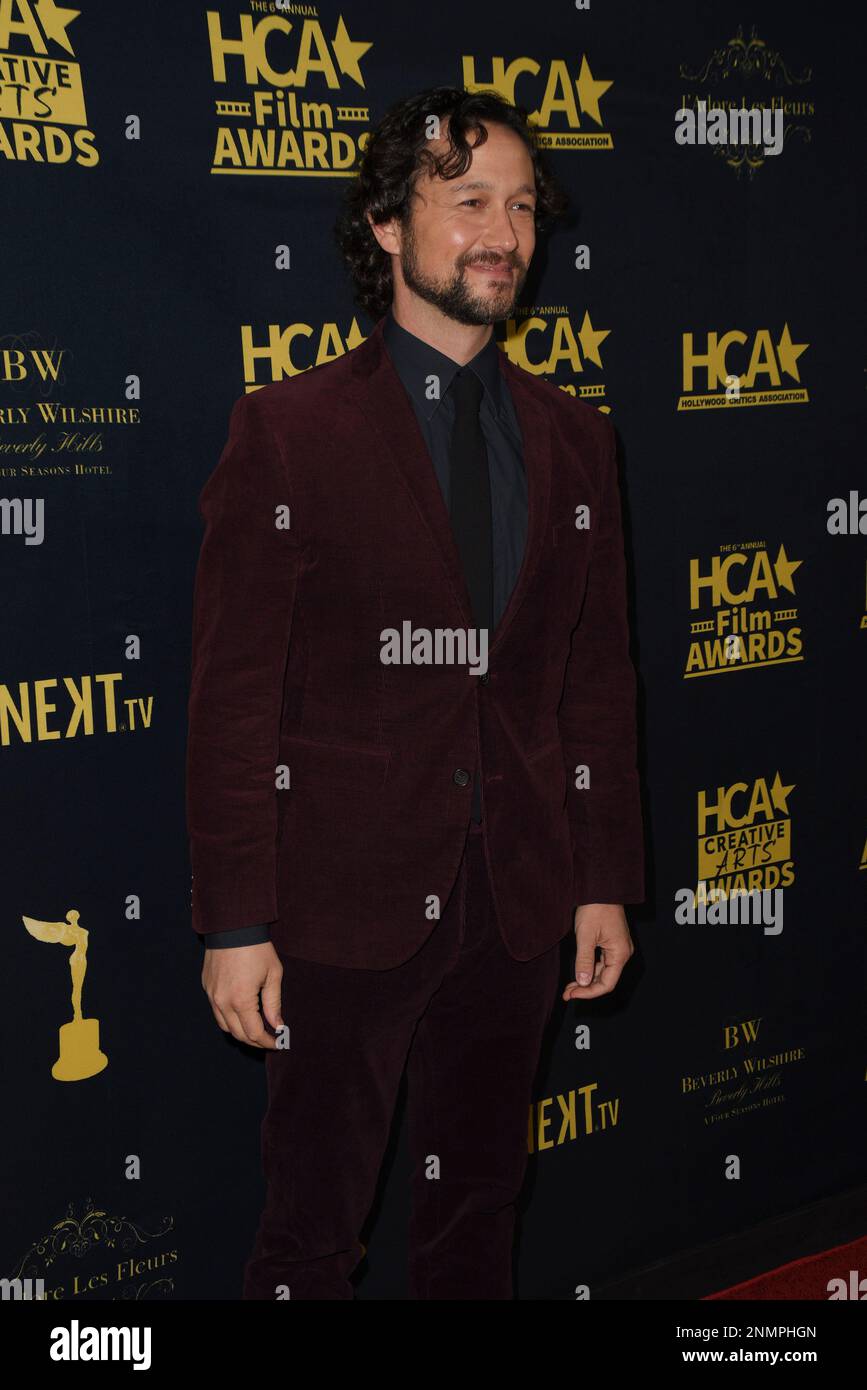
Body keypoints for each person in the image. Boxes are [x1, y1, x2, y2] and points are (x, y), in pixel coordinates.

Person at [185, 85, 645, 1300]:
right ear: (390, 224)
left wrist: (603, 876)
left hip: (519, 902)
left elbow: (594, 682)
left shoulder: (576, 439)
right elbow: (233, 700)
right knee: (310, 1234)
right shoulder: (287, 433)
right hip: (341, 907)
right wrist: (234, 921)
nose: (505, 233)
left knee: (476, 1218)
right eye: (470, 201)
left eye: (525, 207)